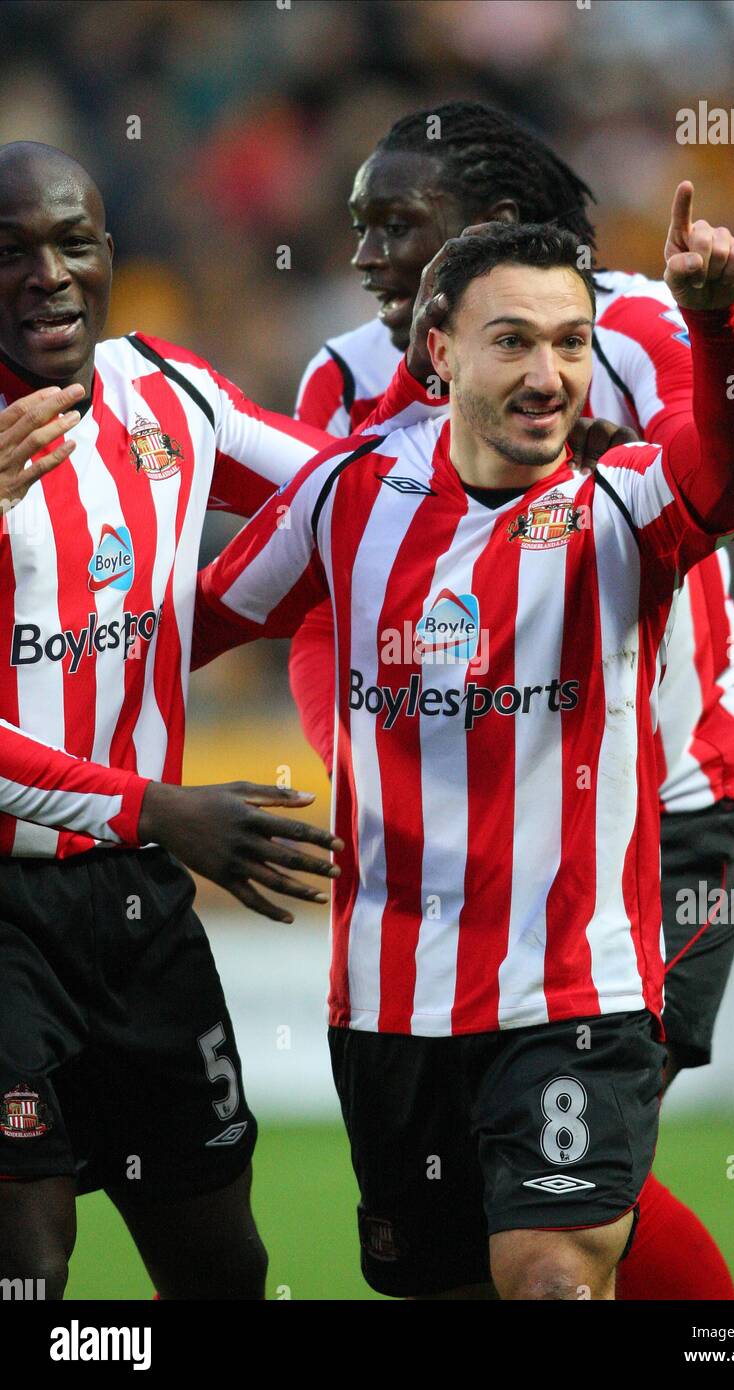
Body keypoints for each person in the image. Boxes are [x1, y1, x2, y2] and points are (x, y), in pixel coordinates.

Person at [192, 189, 734, 1300]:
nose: (546, 375)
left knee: (551, 1274)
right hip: (386, 1003)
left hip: (573, 992)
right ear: (436, 351)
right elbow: (194, 624)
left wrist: (716, 325)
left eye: (569, 344)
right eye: (510, 340)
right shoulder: (343, 500)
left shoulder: (627, 506)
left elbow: (732, 464)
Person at [0, 139, 431, 1300]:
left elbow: (348, 496)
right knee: (27, 1259)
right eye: (10, 254)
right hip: (11, 915)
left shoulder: (167, 395)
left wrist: (512, 447)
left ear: (107, 258)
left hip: (138, 906)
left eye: (71, 243)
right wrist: (157, 806)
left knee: (221, 1266)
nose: (46, 275)